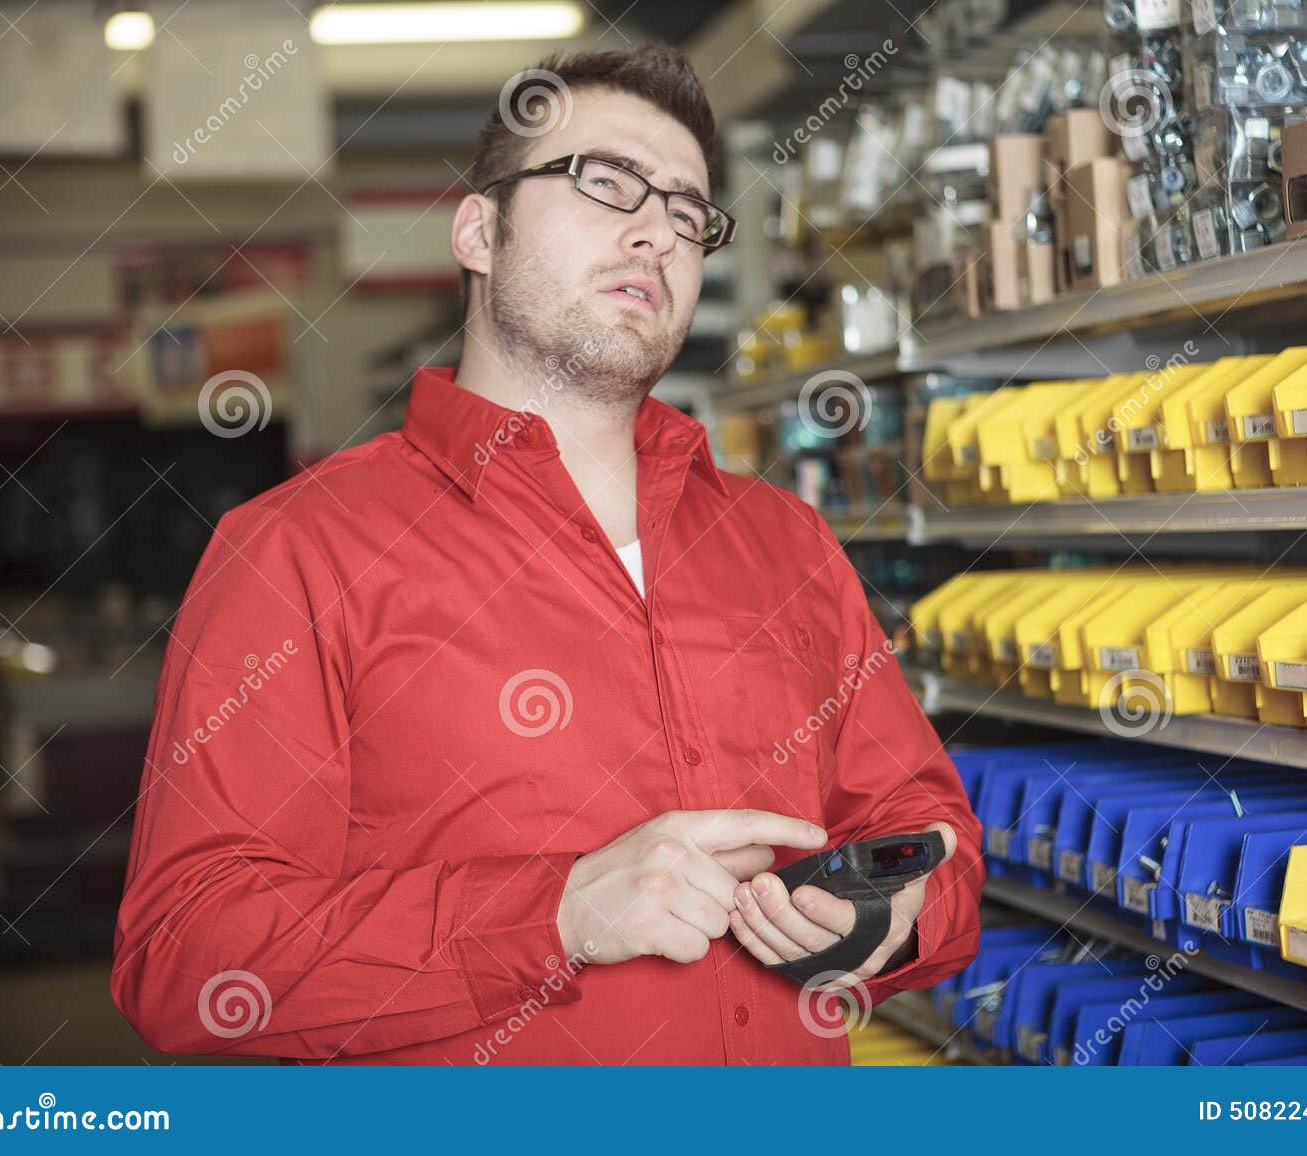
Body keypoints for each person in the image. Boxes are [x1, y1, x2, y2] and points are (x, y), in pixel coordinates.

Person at [111, 43, 983, 1065]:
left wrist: (881, 920)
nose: (656, 228)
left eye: (687, 213)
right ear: (480, 230)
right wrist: (554, 913)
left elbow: (933, 839)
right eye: (605, 182)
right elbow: (186, 960)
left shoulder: (780, 538)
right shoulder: (297, 552)